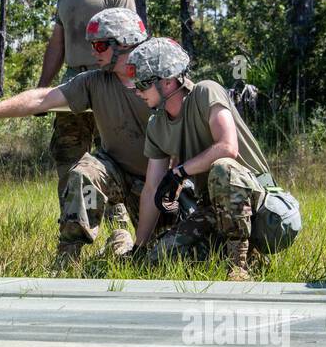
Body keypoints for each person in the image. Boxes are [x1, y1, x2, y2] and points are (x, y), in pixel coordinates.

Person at [0, 8, 152, 267]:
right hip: (116, 173)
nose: (93, 53)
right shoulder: (93, 81)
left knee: (161, 255)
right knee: (83, 173)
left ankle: (119, 246)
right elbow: (41, 98)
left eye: (100, 45)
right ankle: (68, 257)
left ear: (125, 44)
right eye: (92, 46)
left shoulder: (163, 80)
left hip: (158, 180)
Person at [127, 38, 297, 281]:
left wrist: (179, 172)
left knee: (223, 169)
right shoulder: (156, 126)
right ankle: (237, 256)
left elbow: (228, 147)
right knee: (160, 257)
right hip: (213, 207)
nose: (137, 92)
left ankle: (240, 265)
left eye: (142, 85)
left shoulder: (206, 92)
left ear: (167, 80)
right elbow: (151, 188)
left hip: (258, 204)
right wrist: (140, 248)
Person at [37, 0, 137, 238]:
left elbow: (132, 39)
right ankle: (73, 221)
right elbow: (57, 44)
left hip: (108, 81)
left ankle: (119, 227)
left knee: (112, 152)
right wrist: (43, 89)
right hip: (73, 81)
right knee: (69, 154)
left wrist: (130, 84)